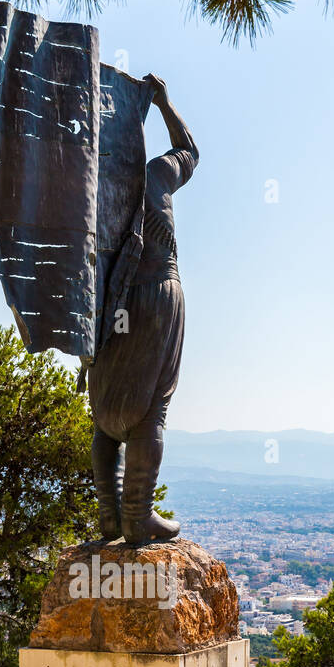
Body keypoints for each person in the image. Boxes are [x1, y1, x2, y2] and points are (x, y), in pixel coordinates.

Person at [87, 74, 198, 544]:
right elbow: (190, 151)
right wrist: (165, 102)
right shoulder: (155, 175)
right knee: (152, 408)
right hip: (156, 292)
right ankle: (137, 517)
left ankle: (111, 517)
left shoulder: (91, 189)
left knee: (103, 415)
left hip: (107, 303)